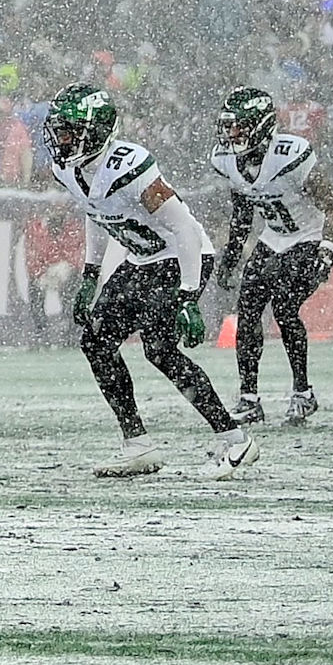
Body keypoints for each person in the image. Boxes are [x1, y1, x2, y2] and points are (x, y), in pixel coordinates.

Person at [45, 84, 253, 477]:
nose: (61, 139)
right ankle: (137, 444)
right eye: (58, 130)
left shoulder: (128, 165)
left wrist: (190, 296)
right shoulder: (68, 169)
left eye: (69, 129)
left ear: (95, 130)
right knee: (96, 341)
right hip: (142, 260)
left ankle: (235, 440)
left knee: (160, 351)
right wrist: (90, 274)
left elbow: (185, 230)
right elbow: (95, 211)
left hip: (179, 258)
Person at [206, 88, 333, 425]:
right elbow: (241, 215)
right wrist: (231, 258)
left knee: (284, 307)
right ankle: (249, 398)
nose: (231, 135)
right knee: (247, 311)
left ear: (262, 126)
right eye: (228, 127)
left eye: (239, 127)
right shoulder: (228, 162)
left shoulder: (290, 155)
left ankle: (302, 392)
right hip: (275, 237)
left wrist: (327, 250)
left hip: (309, 235)